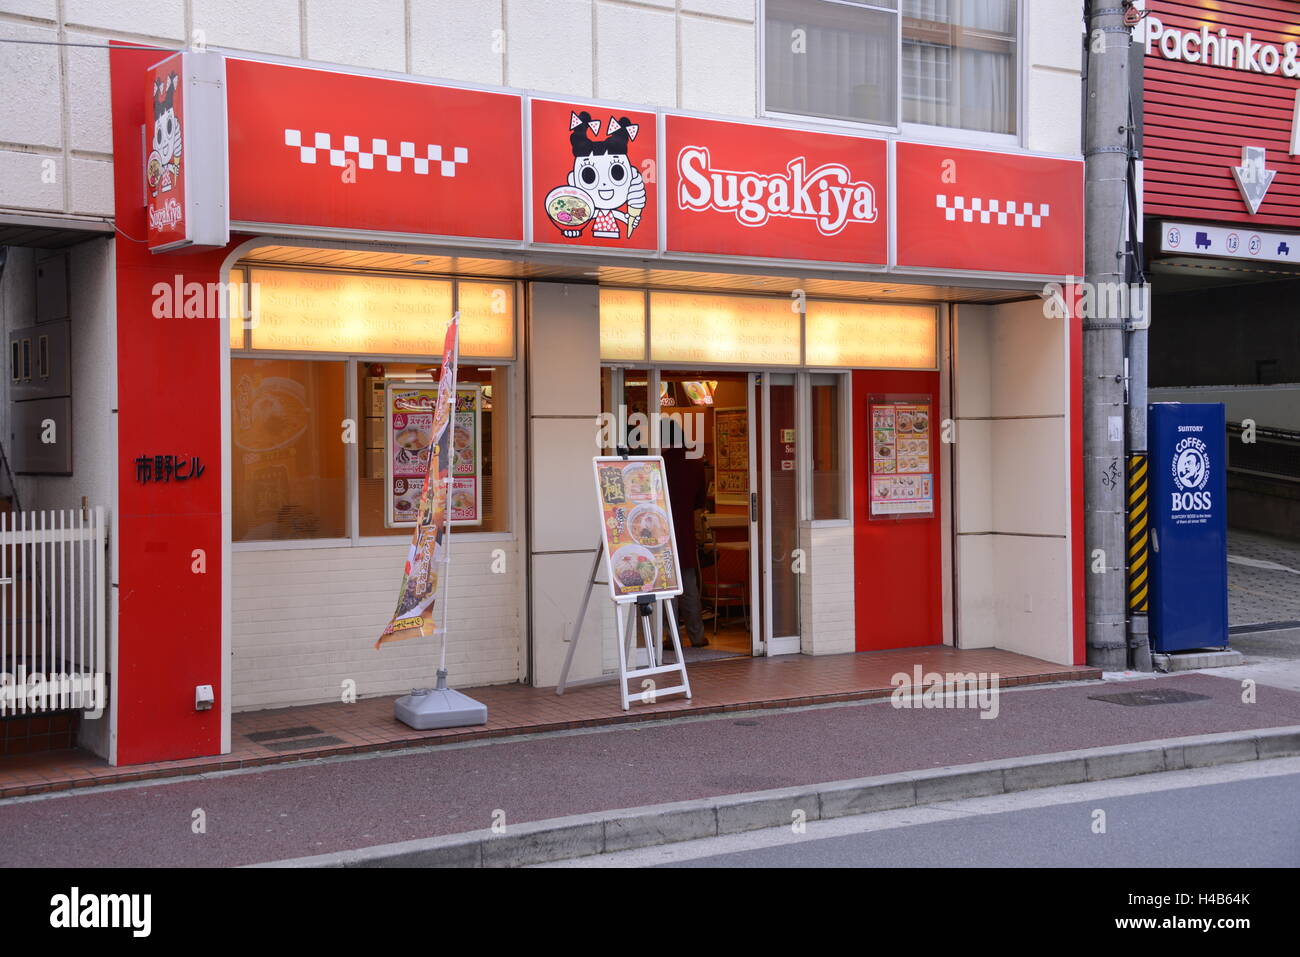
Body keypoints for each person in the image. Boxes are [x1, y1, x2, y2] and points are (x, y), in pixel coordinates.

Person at [660, 418, 708, 648]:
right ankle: (697, 635)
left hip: (661, 534)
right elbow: (700, 502)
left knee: (669, 589)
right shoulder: (695, 463)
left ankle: (672, 637)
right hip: (686, 533)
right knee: (689, 586)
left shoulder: (660, 463)